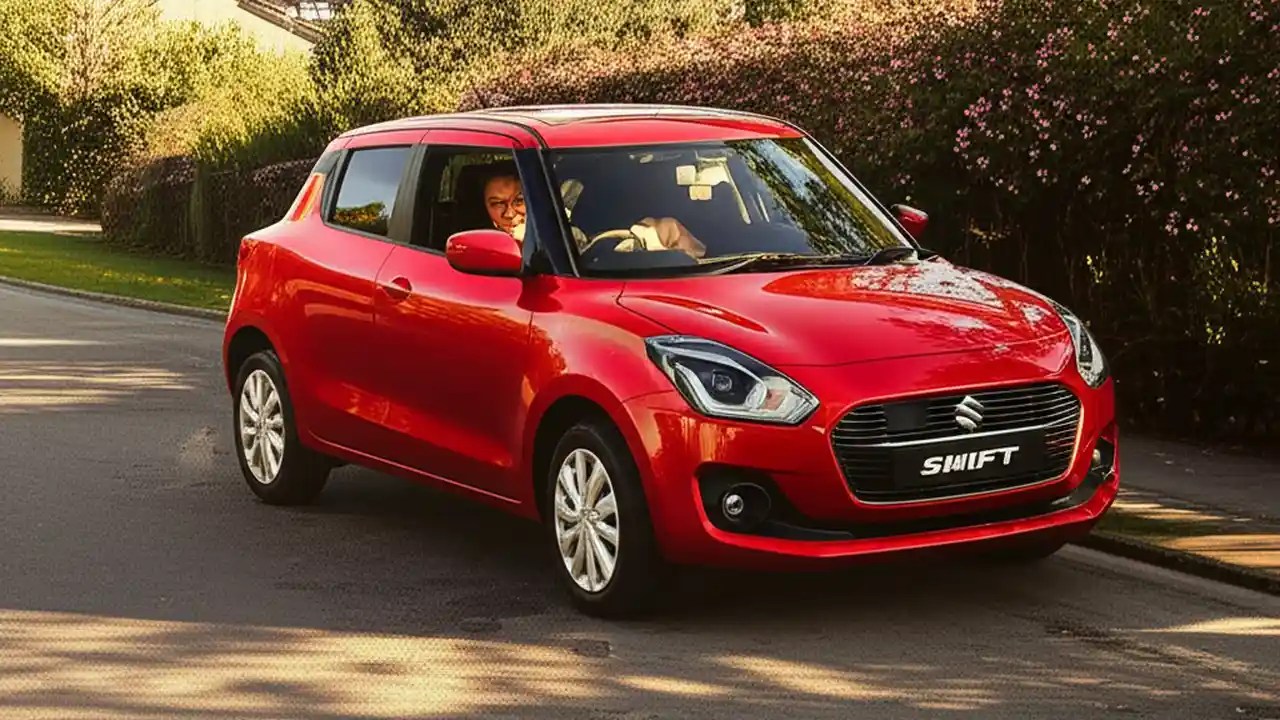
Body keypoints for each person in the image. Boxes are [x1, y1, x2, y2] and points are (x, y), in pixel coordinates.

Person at [480, 166, 705, 259]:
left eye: (519, 200)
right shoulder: (482, 245)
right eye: (497, 203)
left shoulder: (562, 225)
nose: (509, 211)